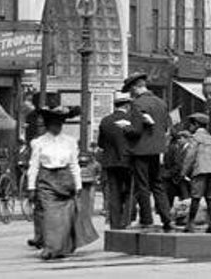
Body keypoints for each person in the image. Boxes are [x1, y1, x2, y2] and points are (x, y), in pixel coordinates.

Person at [27, 105, 97, 260]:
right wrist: (31, 187)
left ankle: (61, 246)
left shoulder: (70, 141)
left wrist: (78, 185)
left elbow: (74, 164)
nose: (57, 127)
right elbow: (34, 165)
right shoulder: (38, 142)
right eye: (54, 124)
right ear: (48, 125)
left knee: (65, 216)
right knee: (50, 215)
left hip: (65, 180)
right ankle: (50, 248)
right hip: (46, 180)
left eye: (59, 124)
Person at [124, 71, 173, 231]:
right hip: (157, 150)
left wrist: (126, 128)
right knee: (157, 185)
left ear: (135, 88)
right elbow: (165, 127)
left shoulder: (137, 104)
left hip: (140, 150)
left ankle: (147, 219)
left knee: (142, 186)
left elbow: (136, 131)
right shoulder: (161, 102)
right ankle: (167, 218)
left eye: (130, 89)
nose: (130, 93)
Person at [96, 93, 137, 230]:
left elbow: (101, 143)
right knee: (130, 192)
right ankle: (126, 221)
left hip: (110, 162)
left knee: (114, 193)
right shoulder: (131, 120)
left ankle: (115, 223)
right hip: (128, 161)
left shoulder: (105, 120)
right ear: (127, 105)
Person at [181, 113, 211, 233]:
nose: (190, 127)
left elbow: (190, 156)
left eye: (191, 124)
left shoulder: (195, 138)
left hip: (200, 170)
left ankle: (190, 223)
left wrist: (183, 172)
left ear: (196, 124)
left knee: (196, 197)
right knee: (210, 198)